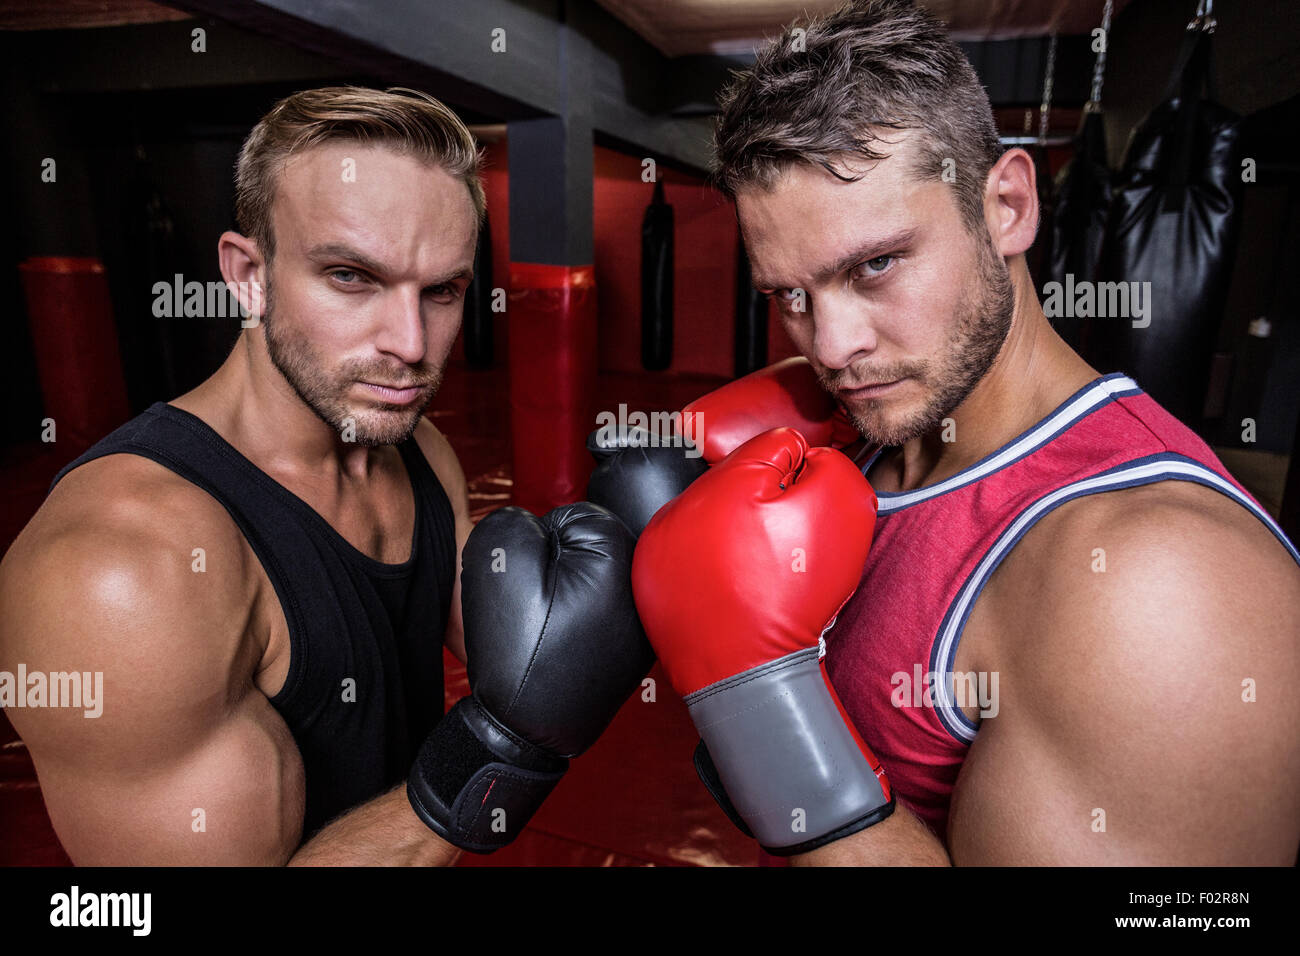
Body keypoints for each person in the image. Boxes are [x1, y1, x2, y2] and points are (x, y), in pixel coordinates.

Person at [633, 0, 1300, 865]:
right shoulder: (862, 432)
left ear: (1008, 207)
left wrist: (757, 709)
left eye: (876, 264)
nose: (833, 348)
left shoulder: (1158, 588)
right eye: (788, 294)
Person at [0, 86, 660, 865]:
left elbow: (528, 652)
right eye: (352, 276)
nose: (411, 344)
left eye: (442, 290)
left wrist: (655, 556)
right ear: (248, 275)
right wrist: (495, 759)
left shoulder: (420, 451)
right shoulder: (120, 576)